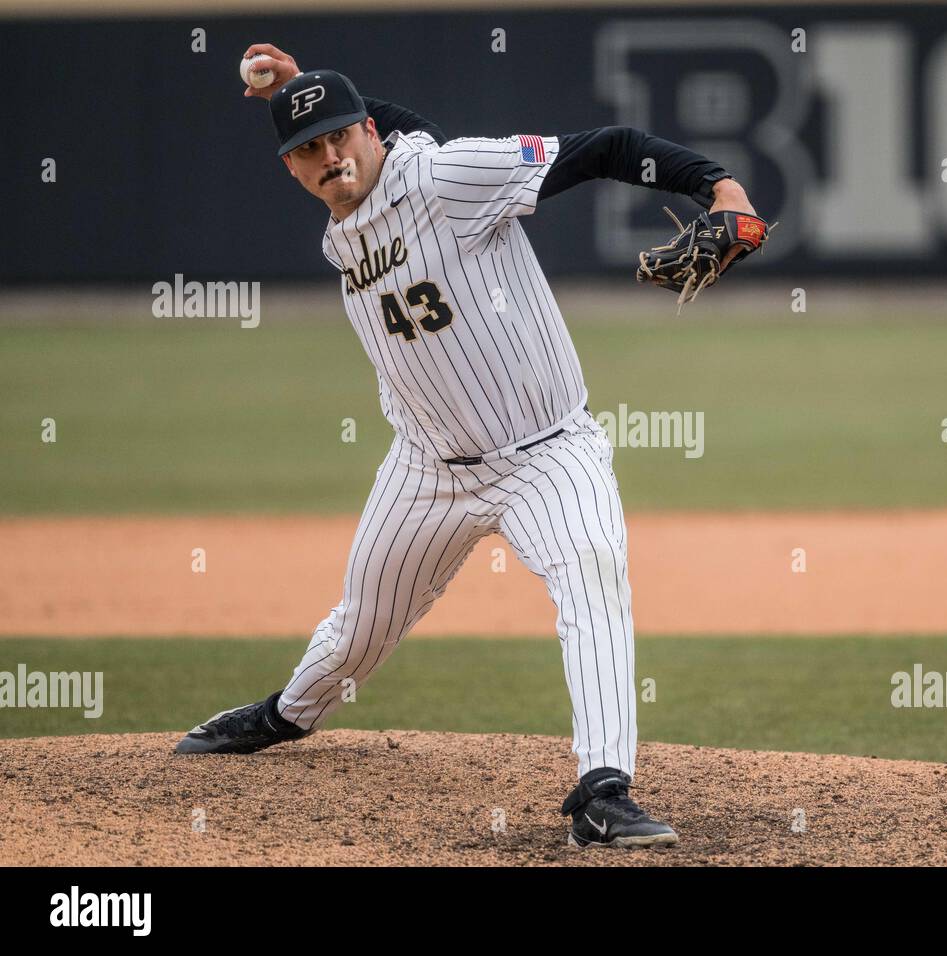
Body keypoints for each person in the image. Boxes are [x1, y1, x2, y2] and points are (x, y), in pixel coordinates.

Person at [175, 43, 762, 850]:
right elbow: (377, 141)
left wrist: (719, 188)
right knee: (359, 629)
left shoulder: (449, 177)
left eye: (342, 134)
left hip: (548, 454)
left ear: (370, 130)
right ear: (289, 168)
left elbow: (608, 148)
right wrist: (310, 88)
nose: (330, 155)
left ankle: (604, 790)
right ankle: (285, 715)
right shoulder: (346, 217)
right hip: (424, 467)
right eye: (307, 148)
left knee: (591, 577)